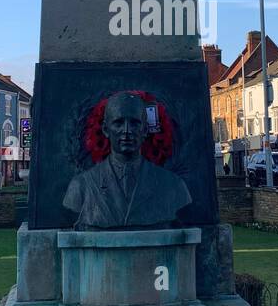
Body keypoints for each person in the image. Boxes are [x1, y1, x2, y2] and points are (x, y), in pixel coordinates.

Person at [63, 91, 192, 229]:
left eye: (134, 123)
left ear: (145, 130)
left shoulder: (173, 186)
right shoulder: (81, 187)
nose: (127, 130)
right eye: (118, 123)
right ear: (106, 129)